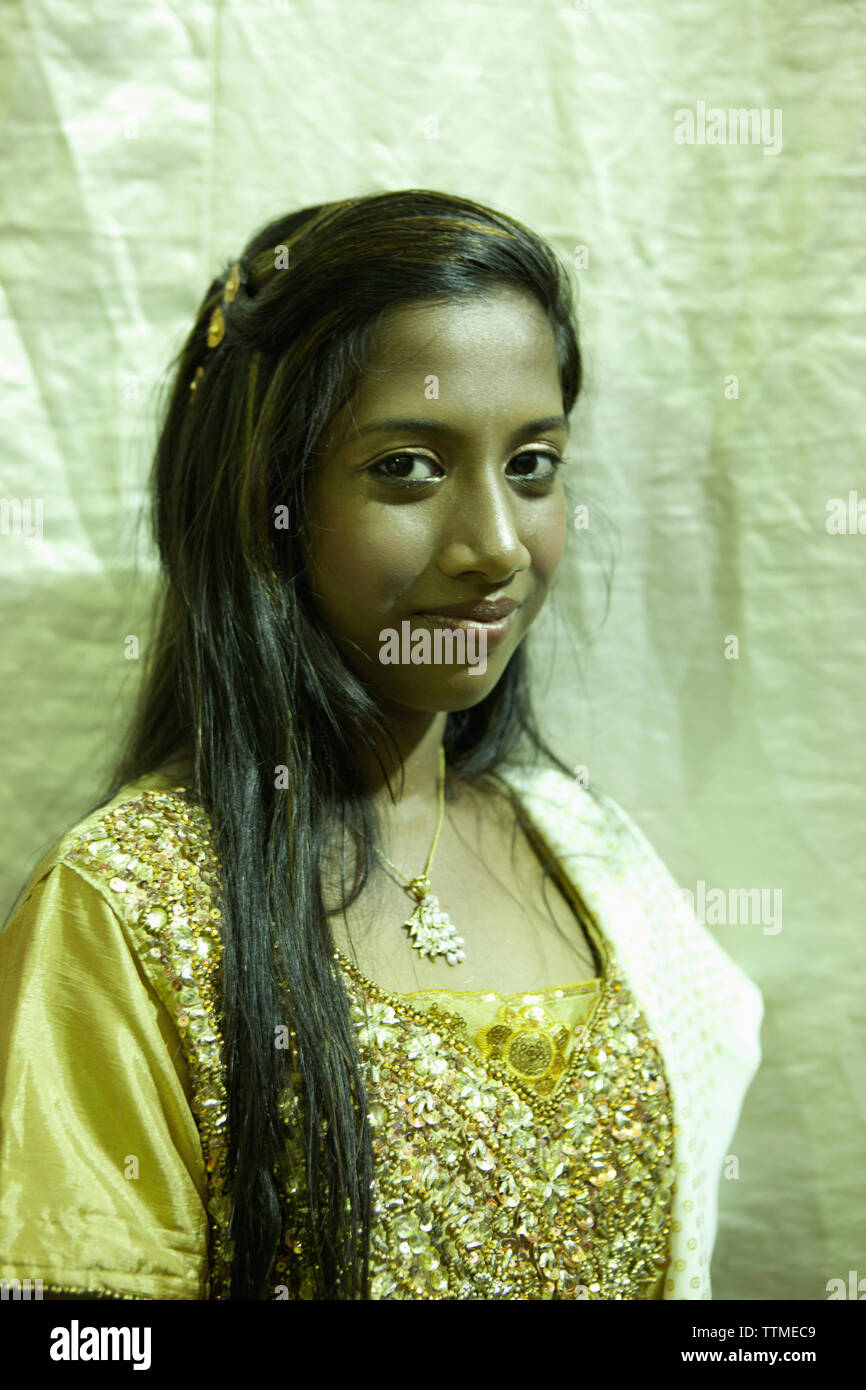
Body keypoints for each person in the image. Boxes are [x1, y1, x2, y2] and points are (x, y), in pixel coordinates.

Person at [0, 189, 763, 1301]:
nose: (495, 545)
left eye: (532, 465)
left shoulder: (588, 854)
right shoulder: (126, 909)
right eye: (408, 467)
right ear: (269, 499)